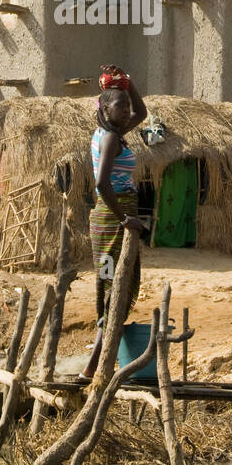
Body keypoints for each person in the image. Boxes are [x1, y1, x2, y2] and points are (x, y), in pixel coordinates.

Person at [81, 64, 149, 381]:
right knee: (114, 291)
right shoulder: (109, 138)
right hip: (112, 217)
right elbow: (101, 184)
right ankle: (92, 368)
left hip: (113, 216)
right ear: (105, 107)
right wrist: (125, 219)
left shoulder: (113, 132)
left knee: (115, 289)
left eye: (125, 105)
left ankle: (95, 366)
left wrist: (128, 83)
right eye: (119, 105)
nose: (126, 110)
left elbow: (142, 112)